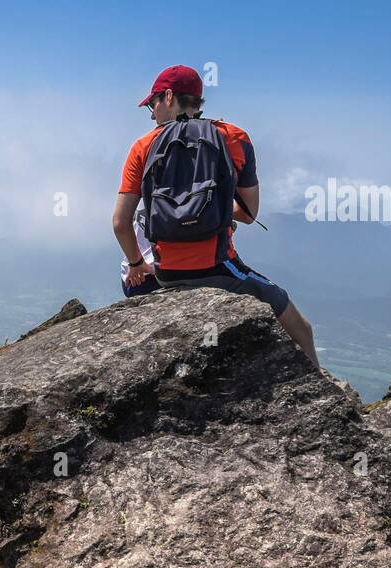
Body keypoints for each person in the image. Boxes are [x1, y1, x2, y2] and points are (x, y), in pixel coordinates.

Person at [112, 65, 319, 368]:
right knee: (301, 325)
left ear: (168, 97)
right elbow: (249, 213)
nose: (151, 113)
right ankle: (322, 385)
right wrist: (216, 211)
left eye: (153, 103)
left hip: (158, 277)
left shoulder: (143, 146)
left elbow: (120, 223)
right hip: (217, 269)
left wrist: (135, 264)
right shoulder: (234, 137)